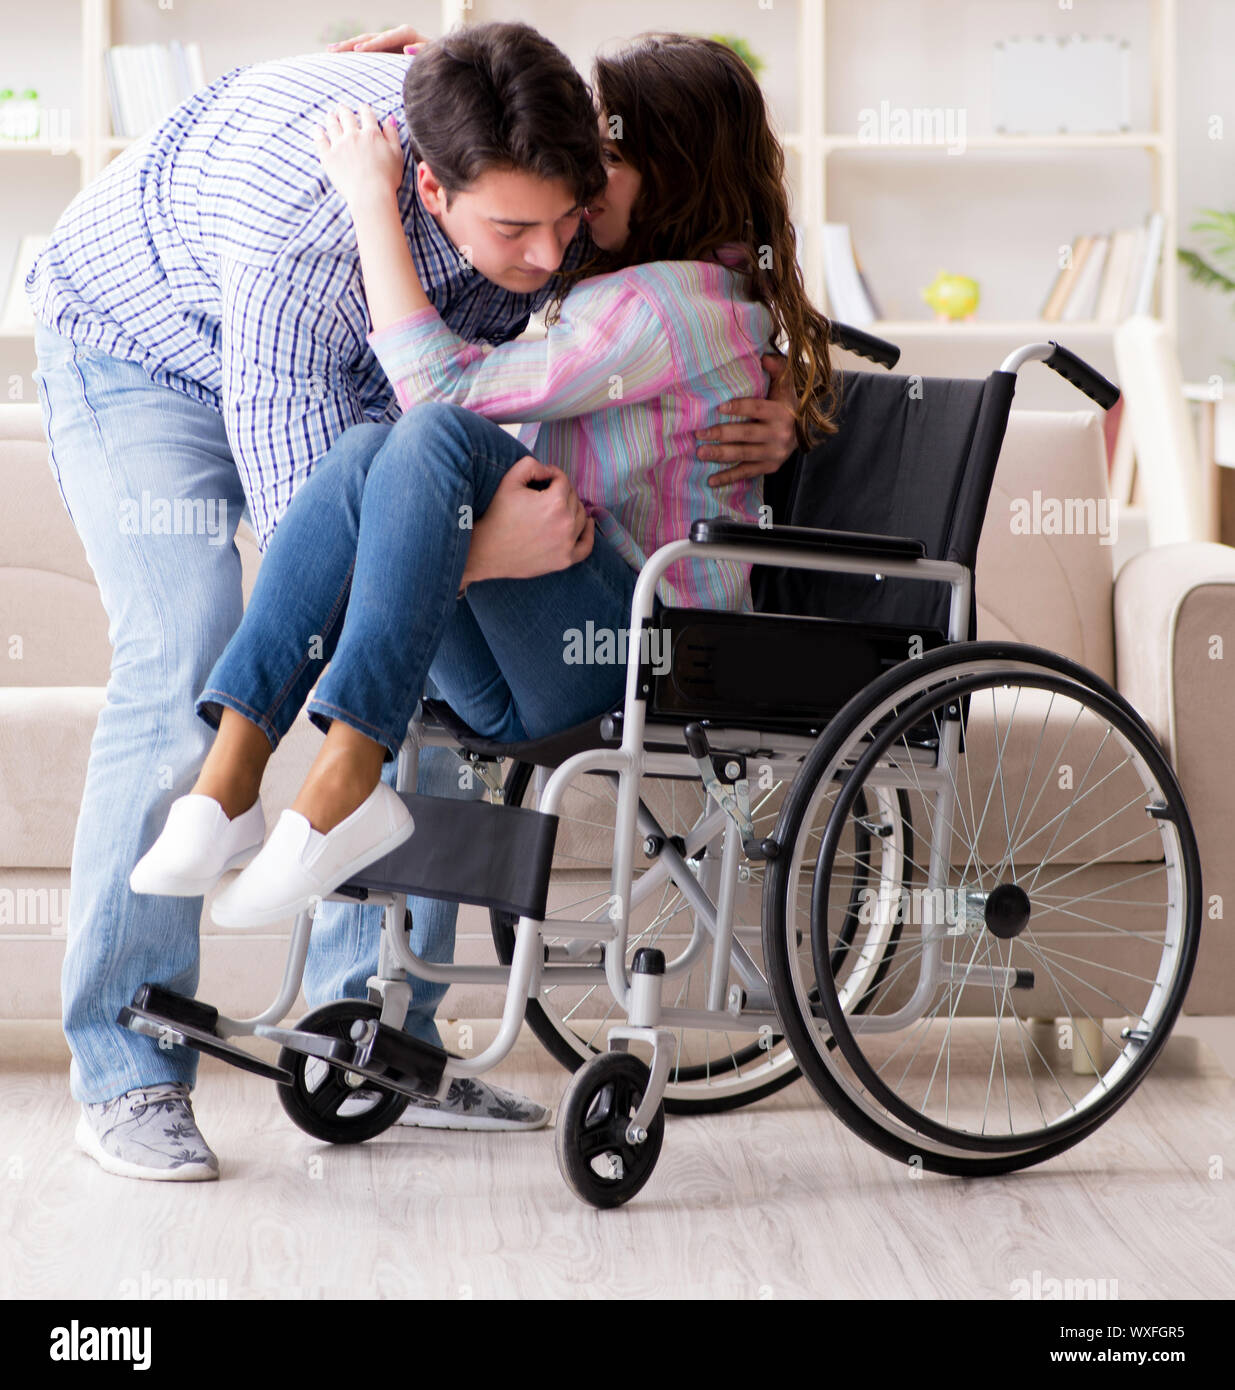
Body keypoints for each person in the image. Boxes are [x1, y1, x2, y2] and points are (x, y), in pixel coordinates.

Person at [27, 22, 798, 1181]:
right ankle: (130, 1068)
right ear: (427, 187)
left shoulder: (570, 192)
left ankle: (377, 1034)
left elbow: (710, 301)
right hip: (153, 348)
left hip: (499, 497)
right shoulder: (308, 248)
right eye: (515, 231)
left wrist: (775, 397)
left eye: (572, 211)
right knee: (187, 645)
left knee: (417, 541)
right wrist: (460, 550)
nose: (551, 254)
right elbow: (318, 552)